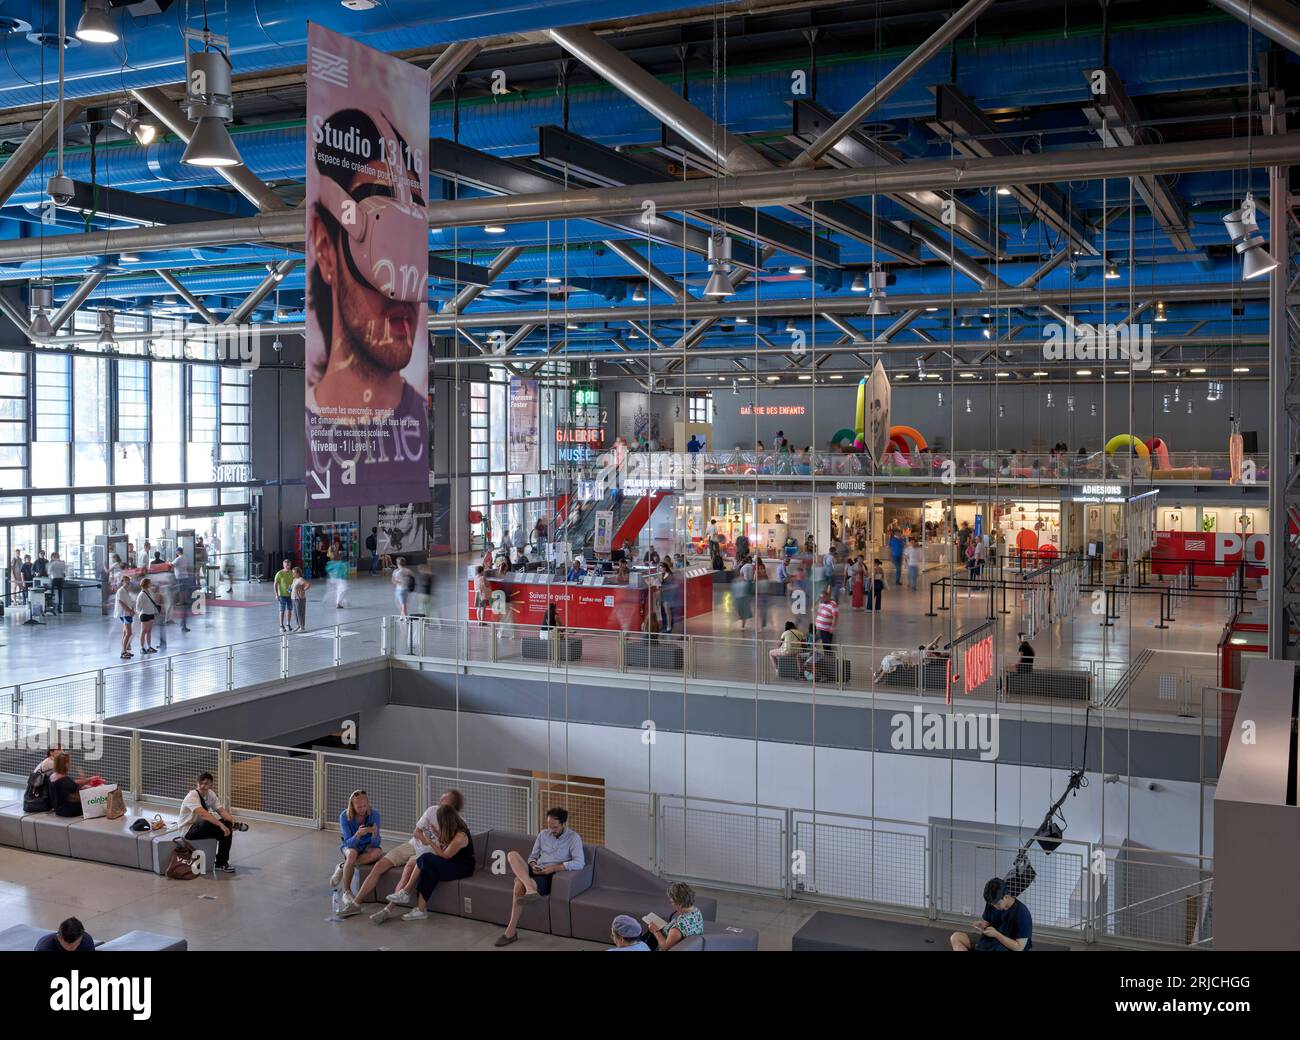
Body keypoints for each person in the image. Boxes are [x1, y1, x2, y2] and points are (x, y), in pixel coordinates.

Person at [306, 106, 428, 503]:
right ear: (325, 247)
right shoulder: (302, 435)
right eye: (385, 250)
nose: (403, 291)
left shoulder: (427, 420)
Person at [363, 789, 465, 919]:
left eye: (443, 801)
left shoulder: (457, 824)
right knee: (380, 865)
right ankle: (356, 902)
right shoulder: (432, 810)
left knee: (409, 868)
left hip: (429, 852)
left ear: (451, 807)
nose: (439, 802)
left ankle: (387, 910)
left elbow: (446, 849)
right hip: (414, 845)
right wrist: (426, 841)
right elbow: (416, 832)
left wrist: (430, 842)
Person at [494, 807, 585, 947]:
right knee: (512, 855)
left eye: (554, 827)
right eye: (549, 826)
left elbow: (579, 863)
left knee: (518, 885)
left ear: (563, 823)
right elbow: (532, 856)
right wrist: (533, 863)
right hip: (535, 869)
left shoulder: (574, 838)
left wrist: (554, 868)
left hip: (549, 875)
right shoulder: (543, 834)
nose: (551, 829)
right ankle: (530, 889)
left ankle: (510, 932)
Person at [398, 804, 476, 921]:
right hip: (452, 861)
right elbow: (447, 844)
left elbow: (445, 854)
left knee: (426, 858)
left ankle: (406, 891)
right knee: (428, 870)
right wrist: (437, 834)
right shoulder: (454, 828)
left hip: (462, 867)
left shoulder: (461, 835)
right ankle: (421, 910)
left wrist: (430, 841)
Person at [179, 771, 244, 874]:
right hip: (188, 830)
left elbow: (221, 811)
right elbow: (203, 814)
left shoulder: (211, 794)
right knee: (210, 822)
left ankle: (221, 863)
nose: (203, 786)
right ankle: (230, 828)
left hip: (201, 828)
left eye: (206, 784)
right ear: (197, 783)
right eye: (201, 783)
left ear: (211, 785)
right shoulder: (192, 796)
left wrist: (232, 820)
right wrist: (221, 825)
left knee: (226, 825)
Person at [331, 790, 384, 907]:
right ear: (352, 806)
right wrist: (358, 835)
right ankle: (347, 892)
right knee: (352, 854)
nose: (362, 809)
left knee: (377, 853)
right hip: (351, 845)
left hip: (366, 846)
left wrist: (375, 834)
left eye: (364, 805)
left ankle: (343, 866)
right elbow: (348, 843)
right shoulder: (344, 816)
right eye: (359, 806)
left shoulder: (374, 815)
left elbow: (376, 844)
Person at [950, 876, 1033, 951]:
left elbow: (1019, 947)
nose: (994, 906)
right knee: (956, 937)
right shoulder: (992, 902)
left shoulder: (1022, 914)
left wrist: (997, 935)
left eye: (996, 904)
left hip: (1008, 947)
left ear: (1006, 897)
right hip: (991, 942)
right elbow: (990, 923)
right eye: (991, 904)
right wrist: (984, 925)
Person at [645, 881, 705, 951]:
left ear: (679, 903)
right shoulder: (697, 911)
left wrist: (655, 931)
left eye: (672, 902)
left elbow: (665, 947)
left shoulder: (677, 928)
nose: (672, 904)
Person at [48, 751, 93, 817]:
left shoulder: (52, 776)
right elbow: (77, 795)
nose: (70, 764)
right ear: (66, 764)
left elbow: (73, 783)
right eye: (69, 762)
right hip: (69, 811)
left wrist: (88, 779)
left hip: (58, 810)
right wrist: (83, 779)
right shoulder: (64, 780)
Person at [135, 577, 161, 654]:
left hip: (150, 613)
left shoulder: (149, 592)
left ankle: (149, 646)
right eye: (150, 583)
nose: (151, 584)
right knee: (143, 631)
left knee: (149, 631)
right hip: (144, 614)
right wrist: (140, 614)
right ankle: (142, 647)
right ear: (146, 584)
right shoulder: (141, 594)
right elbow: (138, 607)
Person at [114, 577, 136, 660]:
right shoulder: (121, 591)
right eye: (126, 581)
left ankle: (124, 650)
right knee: (129, 633)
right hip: (125, 614)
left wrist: (132, 610)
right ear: (122, 581)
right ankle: (123, 652)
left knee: (125, 632)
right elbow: (121, 603)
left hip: (127, 613)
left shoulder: (126, 591)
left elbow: (128, 602)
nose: (128, 582)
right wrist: (130, 611)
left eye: (129, 581)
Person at [274, 559, 295, 632]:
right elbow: (275, 584)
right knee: (282, 610)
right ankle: (281, 625)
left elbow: (294, 582)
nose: (287, 567)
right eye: (286, 565)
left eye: (289, 565)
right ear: (283, 565)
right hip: (282, 595)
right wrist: (276, 594)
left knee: (289, 610)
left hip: (290, 595)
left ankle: (288, 624)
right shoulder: (279, 573)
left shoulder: (292, 573)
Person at [291, 567, 310, 632]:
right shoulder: (294, 579)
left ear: (298, 573)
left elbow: (308, 585)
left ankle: (302, 626)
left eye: (294, 572)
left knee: (300, 613)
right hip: (293, 598)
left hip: (300, 599)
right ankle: (298, 625)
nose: (292, 574)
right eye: (292, 572)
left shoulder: (300, 579)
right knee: (295, 613)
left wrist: (303, 590)